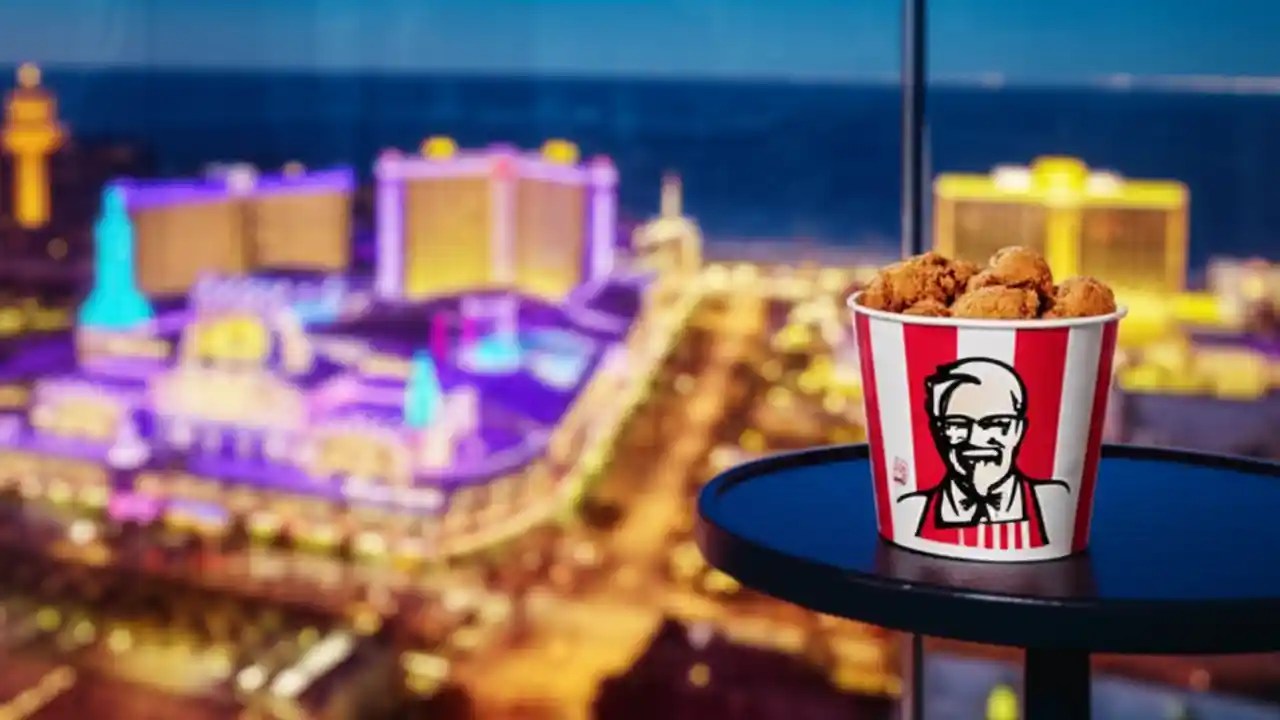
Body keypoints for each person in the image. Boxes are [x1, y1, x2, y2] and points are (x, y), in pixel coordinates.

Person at [897, 358, 1067, 549]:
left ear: (1018, 430)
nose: (977, 440)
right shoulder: (911, 510)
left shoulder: (1053, 502)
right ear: (938, 432)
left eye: (996, 423)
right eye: (958, 424)